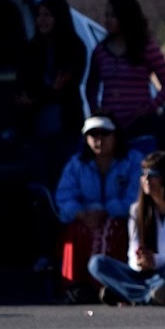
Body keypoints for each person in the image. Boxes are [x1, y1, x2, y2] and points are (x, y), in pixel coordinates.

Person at [86, 150, 165, 306]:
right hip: (145, 275)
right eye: (144, 174)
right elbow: (132, 254)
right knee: (97, 263)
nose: (146, 179)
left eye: (153, 174)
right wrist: (140, 261)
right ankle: (148, 295)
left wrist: (155, 260)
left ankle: (129, 293)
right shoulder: (137, 210)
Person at [54, 114, 141, 301]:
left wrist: (107, 211)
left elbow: (136, 197)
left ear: (115, 135)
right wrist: (81, 214)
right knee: (76, 230)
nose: (99, 139)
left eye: (105, 133)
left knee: (111, 229)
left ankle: (112, 283)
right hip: (85, 219)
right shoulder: (76, 164)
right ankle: (76, 285)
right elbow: (64, 197)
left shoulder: (133, 160)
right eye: (93, 134)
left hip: (123, 220)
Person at [85, 0, 165, 144]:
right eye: (106, 15)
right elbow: (91, 85)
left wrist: (149, 108)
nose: (107, 20)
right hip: (110, 126)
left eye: (112, 16)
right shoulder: (100, 50)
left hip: (140, 125)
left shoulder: (146, 48)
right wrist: (96, 110)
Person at [16, 0, 87, 155]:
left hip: (66, 123)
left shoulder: (74, 48)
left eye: (47, 15)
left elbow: (64, 87)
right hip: (35, 125)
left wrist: (37, 97)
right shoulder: (31, 49)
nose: (41, 20)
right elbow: (25, 84)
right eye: (39, 15)